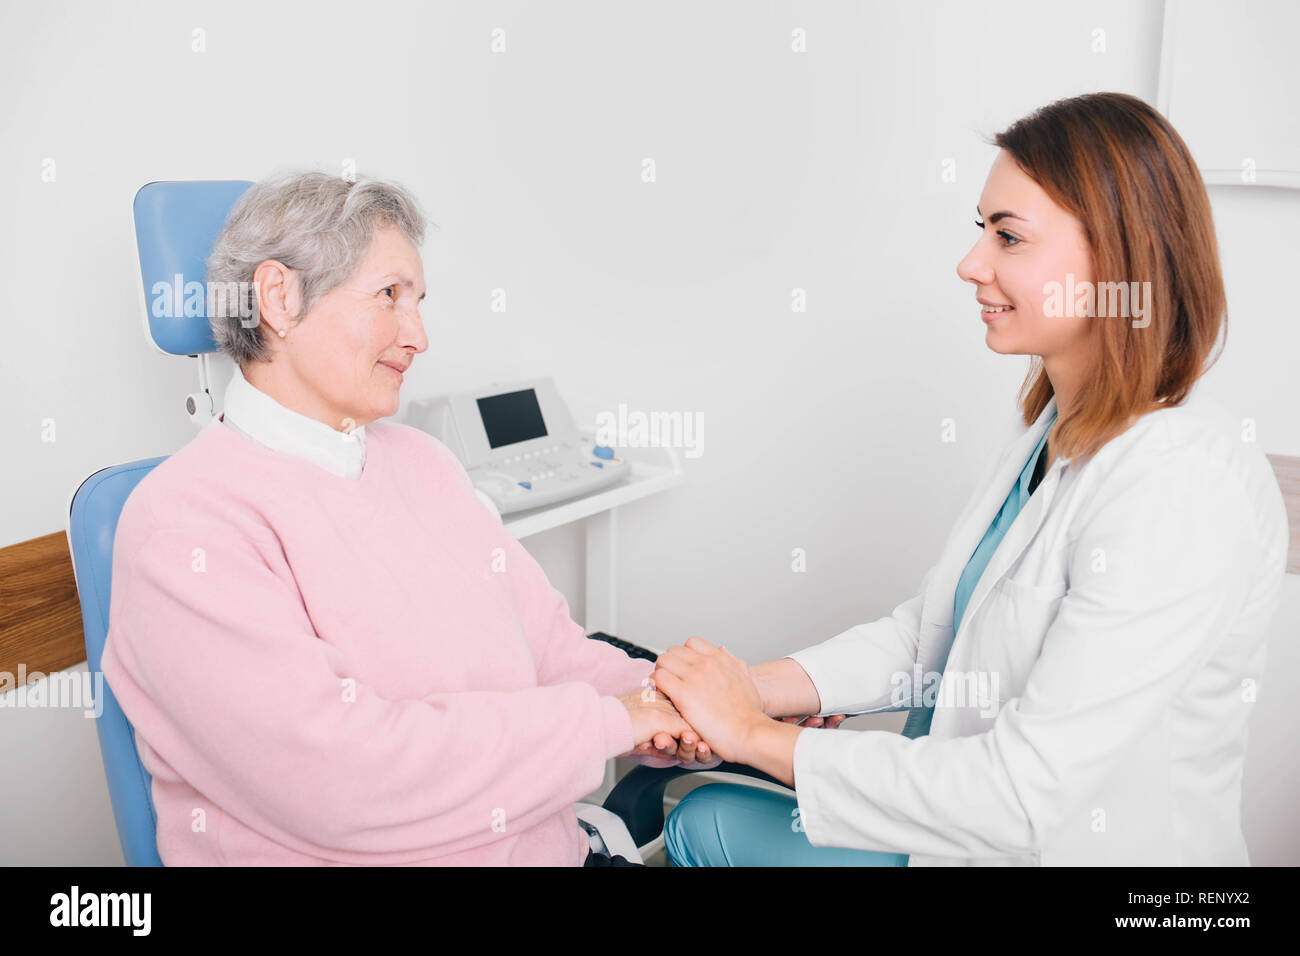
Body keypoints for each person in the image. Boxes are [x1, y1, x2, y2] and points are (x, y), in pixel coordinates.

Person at [653, 92, 1290, 867]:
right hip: (966, 838)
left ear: (1117, 263)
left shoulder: (1183, 484)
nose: (971, 264)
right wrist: (744, 692)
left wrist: (749, 736)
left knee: (706, 826)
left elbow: (1019, 797)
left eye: (1009, 237)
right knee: (707, 817)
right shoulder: (1056, 433)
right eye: (980, 229)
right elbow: (931, 638)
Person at [101, 170, 716, 866]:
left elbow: (552, 655)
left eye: (419, 301)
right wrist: (609, 722)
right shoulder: (185, 527)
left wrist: (691, 707)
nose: (418, 335)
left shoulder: (423, 463)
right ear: (278, 297)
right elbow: (340, 780)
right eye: (389, 295)